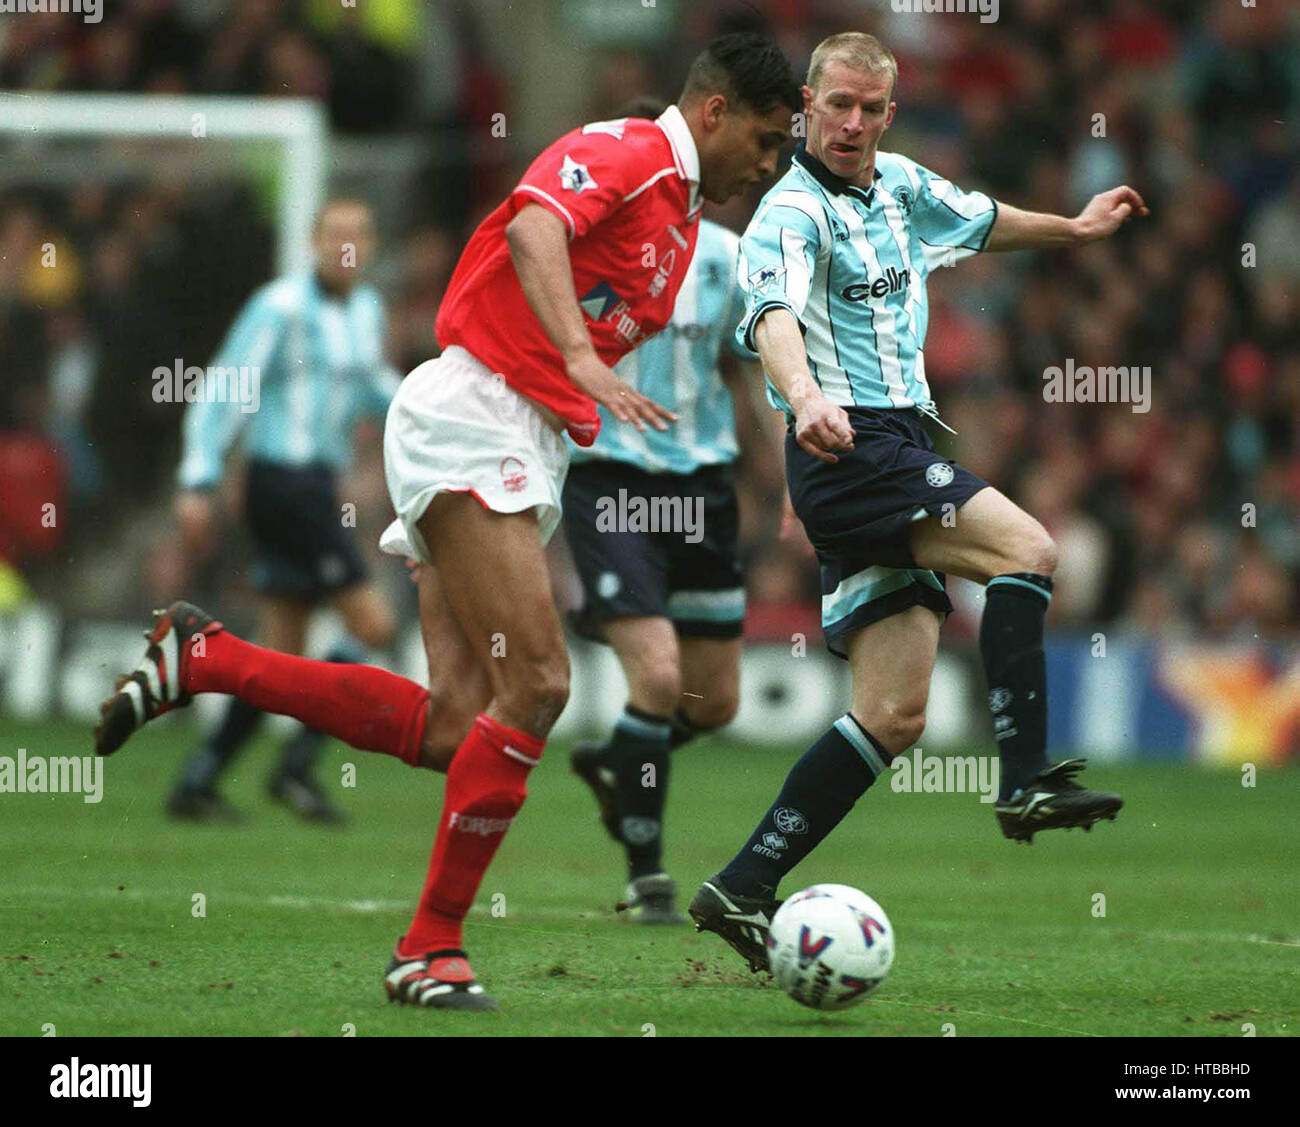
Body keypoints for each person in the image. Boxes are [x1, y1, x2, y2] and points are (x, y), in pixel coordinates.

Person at [95, 32, 802, 1012]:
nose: (768, 165)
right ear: (716, 111)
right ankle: (427, 947)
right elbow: (532, 230)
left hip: (517, 434)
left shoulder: (684, 218)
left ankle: (204, 659)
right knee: (542, 682)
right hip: (478, 416)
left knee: (456, 723)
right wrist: (581, 357)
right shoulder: (634, 150)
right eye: (766, 141)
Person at [689, 32, 1139, 973]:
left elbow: (982, 221)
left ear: (890, 112)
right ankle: (1022, 781)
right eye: (837, 104)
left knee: (894, 715)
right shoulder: (789, 211)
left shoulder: (902, 186)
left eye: (871, 108)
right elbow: (772, 314)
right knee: (1030, 549)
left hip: (893, 445)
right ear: (806, 102)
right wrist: (806, 393)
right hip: (850, 444)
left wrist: (1078, 227)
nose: (852, 123)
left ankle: (741, 883)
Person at [563, 100, 781, 924]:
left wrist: (784, 481)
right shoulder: (600, 246)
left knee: (713, 703)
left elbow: (746, 372)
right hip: (611, 481)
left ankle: (620, 757)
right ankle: (646, 876)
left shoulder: (728, 259)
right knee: (656, 677)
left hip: (703, 492)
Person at [169, 198, 398, 823]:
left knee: (283, 658)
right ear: (313, 241)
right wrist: (198, 475)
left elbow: (376, 387)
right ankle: (296, 767)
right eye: (335, 235)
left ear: (371, 246)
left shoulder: (367, 311)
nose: (346, 247)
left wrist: (426, 410)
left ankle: (200, 777)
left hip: (315, 486)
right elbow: (227, 384)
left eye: (358, 236)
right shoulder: (280, 307)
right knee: (374, 625)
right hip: (282, 484)